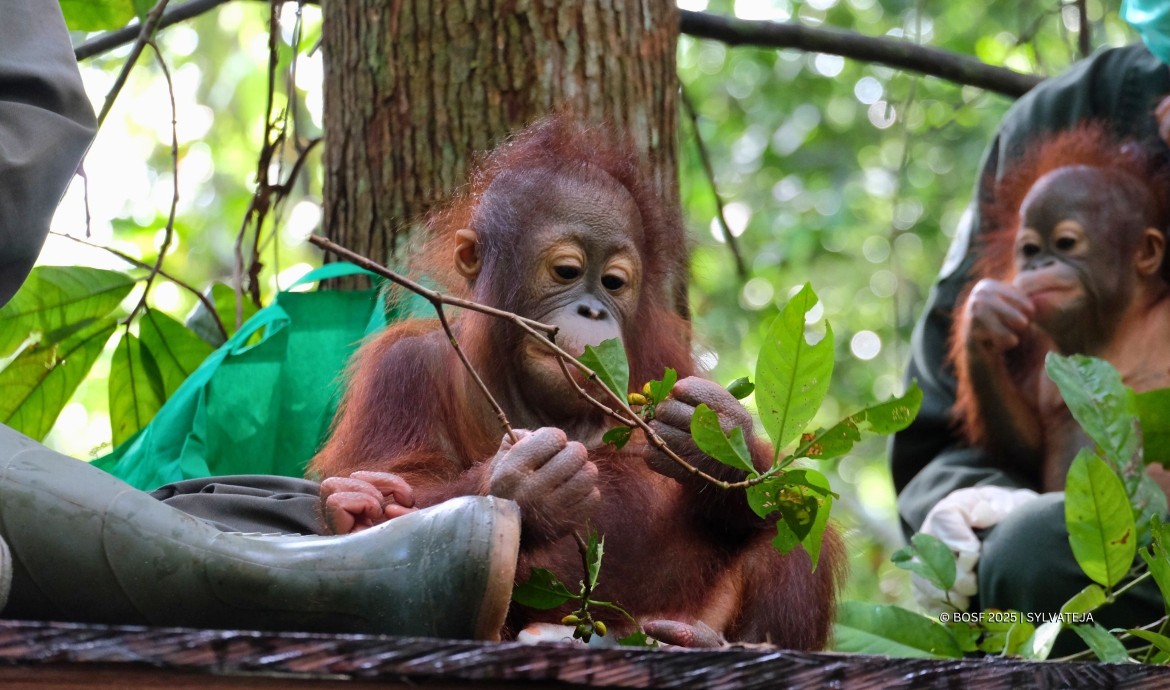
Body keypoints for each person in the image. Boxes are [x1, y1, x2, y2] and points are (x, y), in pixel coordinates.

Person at [0, 2, 519, 640]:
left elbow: (30, 112)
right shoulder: (413, 364)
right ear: (469, 260)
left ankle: (297, 566)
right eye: (569, 273)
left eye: (613, 284)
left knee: (264, 512)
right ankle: (298, 584)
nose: (589, 314)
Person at [891, 0, 1170, 651]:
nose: (1038, 270)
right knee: (1036, 546)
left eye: (1063, 247)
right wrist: (973, 512)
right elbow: (943, 439)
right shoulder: (1059, 121)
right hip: (1093, 583)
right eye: (1029, 253)